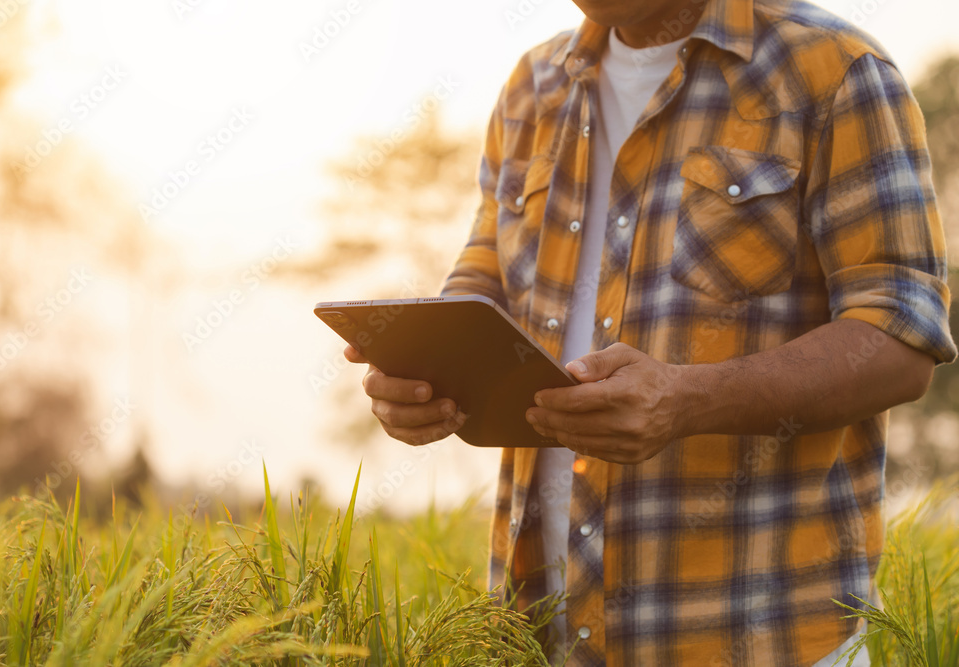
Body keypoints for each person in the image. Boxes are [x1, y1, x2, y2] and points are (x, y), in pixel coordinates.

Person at [345, 0, 957, 663]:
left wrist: (687, 398)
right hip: (538, 637)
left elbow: (899, 337)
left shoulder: (835, 72)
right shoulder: (532, 85)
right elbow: (486, 273)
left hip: (763, 638)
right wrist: (427, 367)